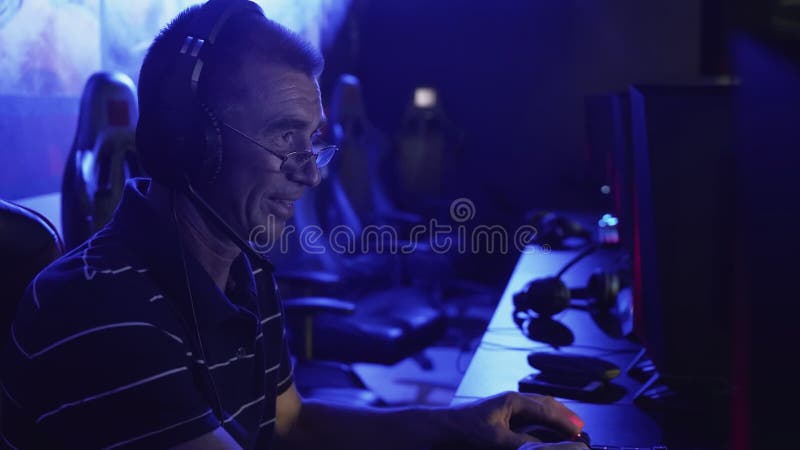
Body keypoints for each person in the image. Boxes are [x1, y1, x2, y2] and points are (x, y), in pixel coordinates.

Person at [0, 1, 587, 449]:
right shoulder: (100, 309)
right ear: (189, 142)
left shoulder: (244, 268)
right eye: (286, 137)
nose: (311, 173)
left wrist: (455, 426)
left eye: (313, 142)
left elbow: (289, 424)